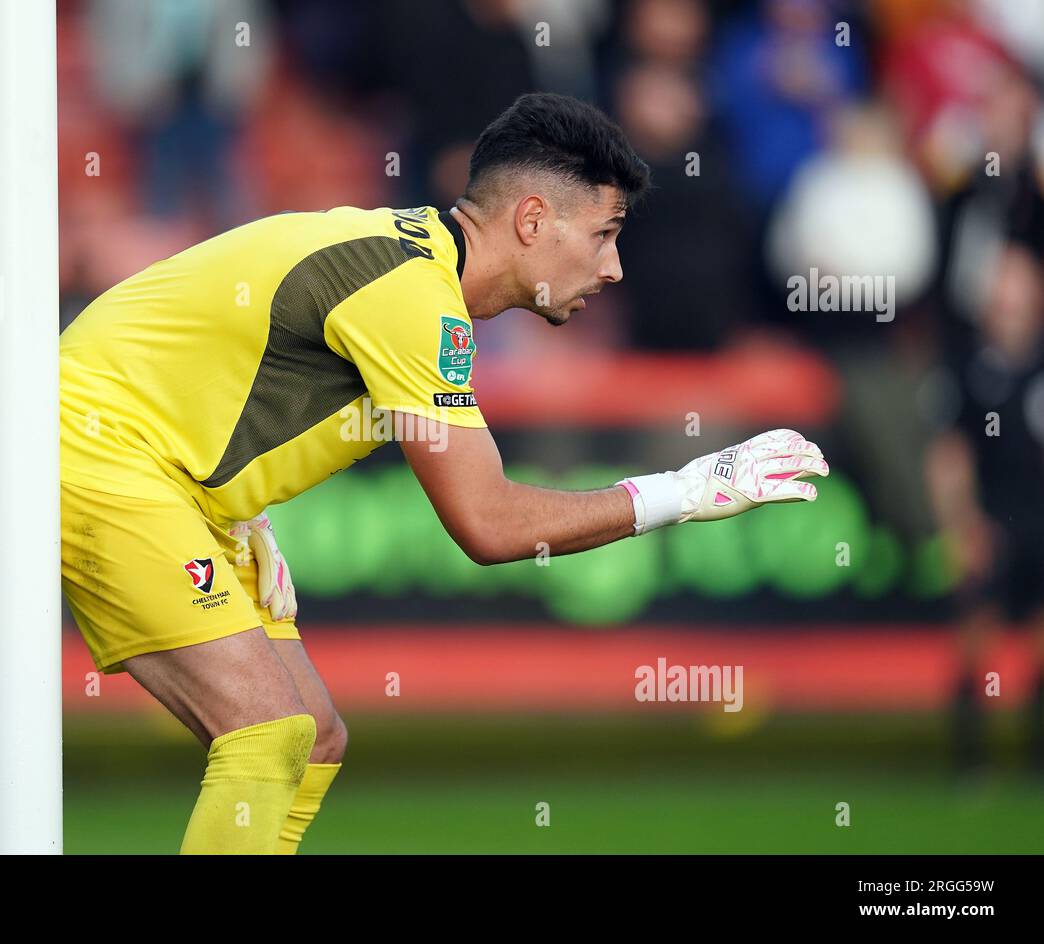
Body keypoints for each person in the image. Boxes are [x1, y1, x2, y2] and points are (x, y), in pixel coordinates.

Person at [58, 91, 829, 854]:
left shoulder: (413, 267)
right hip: (95, 449)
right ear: (532, 220)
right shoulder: (412, 294)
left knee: (314, 739)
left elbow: (216, 346)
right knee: (267, 732)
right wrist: (685, 493)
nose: (615, 266)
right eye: (603, 234)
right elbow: (488, 525)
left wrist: (234, 506)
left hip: (151, 463)